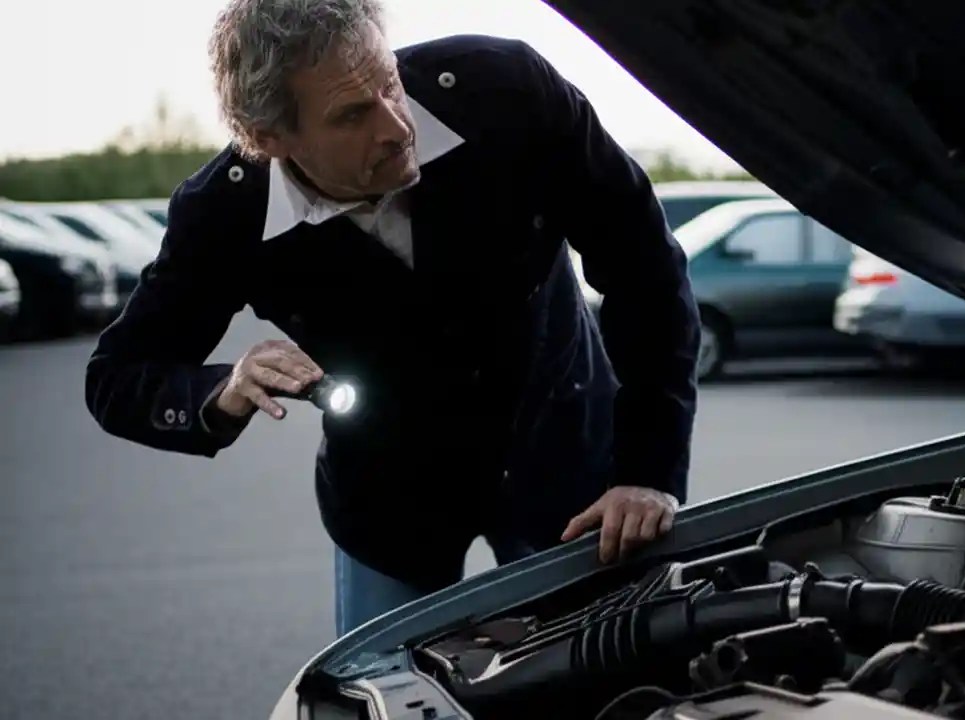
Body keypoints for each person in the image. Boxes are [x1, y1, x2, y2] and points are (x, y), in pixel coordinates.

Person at [83, 0, 700, 636]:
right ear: (269, 139)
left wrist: (649, 474)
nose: (397, 126)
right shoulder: (224, 211)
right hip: (392, 505)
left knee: (609, 686)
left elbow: (645, 270)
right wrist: (223, 388)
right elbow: (116, 376)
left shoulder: (508, 89)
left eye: (389, 83)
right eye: (353, 114)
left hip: (574, 467)